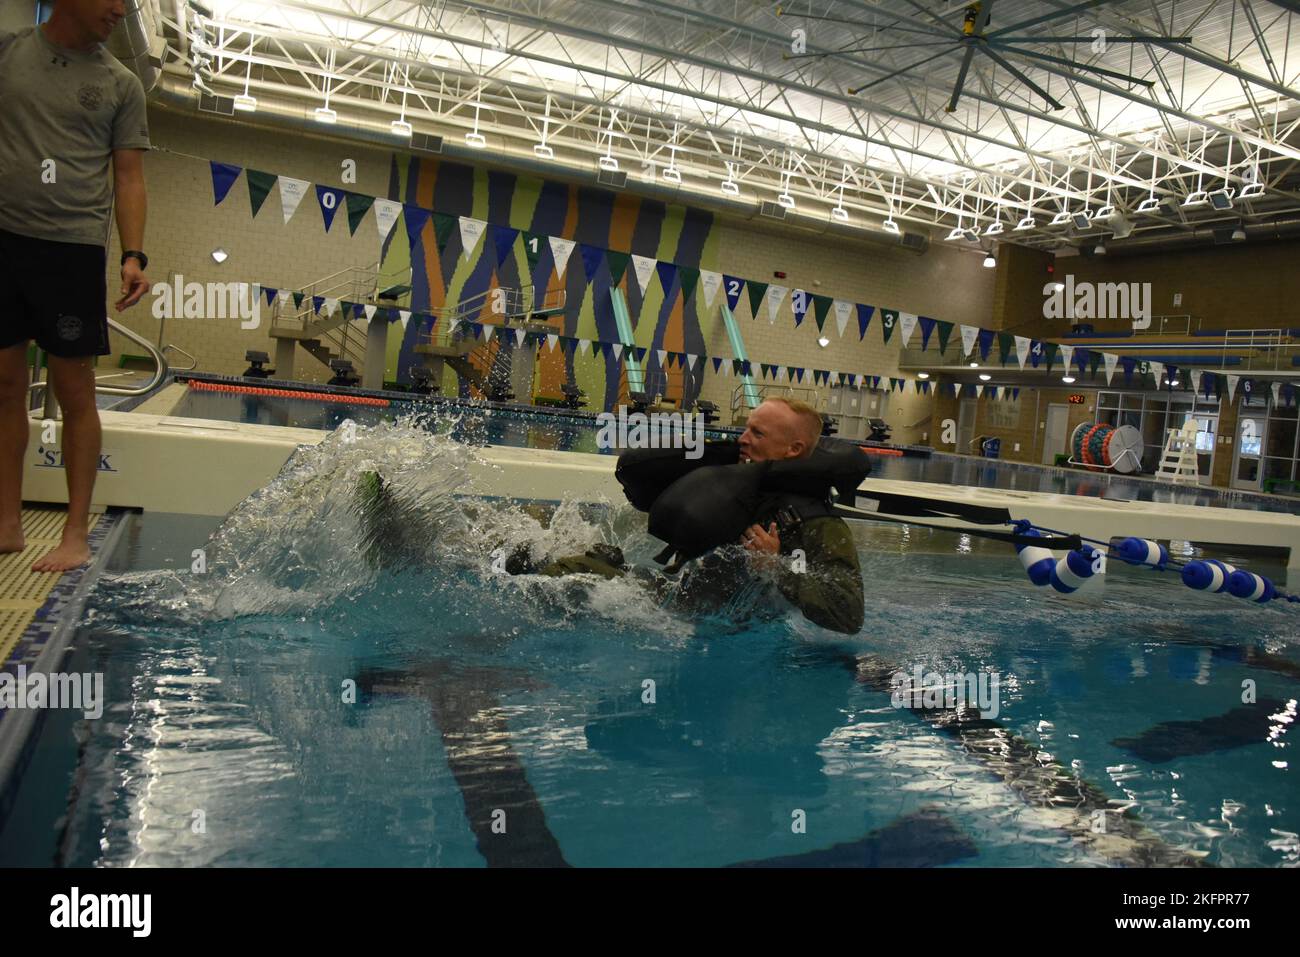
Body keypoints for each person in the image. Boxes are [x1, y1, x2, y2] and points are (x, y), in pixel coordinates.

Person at [0, 0, 152, 571]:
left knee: (76, 391)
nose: (121, 9)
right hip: (3, 240)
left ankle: (74, 535)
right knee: (4, 384)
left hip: (71, 249)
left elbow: (129, 176)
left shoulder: (121, 84)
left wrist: (133, 254)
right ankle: (7, 523)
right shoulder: (9, 53)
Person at [532, 398, 867, 634]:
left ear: (793, 449)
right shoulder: (733, 485)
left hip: (720, 631)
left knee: (568, 579)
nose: (743, 440)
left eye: (758, 434)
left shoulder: (817, 524)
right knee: (557, 569)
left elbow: (849, 613)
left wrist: (777, 566)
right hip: (675, 604)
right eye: (747, 430)